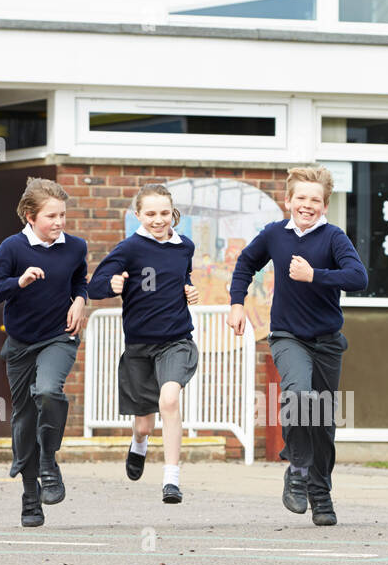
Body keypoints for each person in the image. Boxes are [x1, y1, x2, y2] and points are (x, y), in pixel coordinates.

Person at [228, 165, 368, 526]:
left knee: (322, 422)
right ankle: (297, 468)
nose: (308, 205)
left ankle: (320, 495)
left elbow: (358, 277)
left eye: (316, 200)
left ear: (325, 205)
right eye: (301, 198)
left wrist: (315, 275)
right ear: (288, 200)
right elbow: (245, 263)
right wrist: (237, 303)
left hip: (327, 342)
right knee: (298, 394)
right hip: (288, 336)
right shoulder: (275, 234)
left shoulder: (334, 238)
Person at [0, 177, 89, 527]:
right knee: (24, 418)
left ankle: (49, 463)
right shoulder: (12, 248)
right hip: (21, 344)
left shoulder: (75, 247)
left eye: (63, 216)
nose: (59, 223)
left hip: (60, 336)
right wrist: (18, 282)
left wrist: (81, 302)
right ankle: (30, 495)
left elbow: (79, 280)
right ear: (30, 216)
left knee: (48, 391)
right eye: (51, 216)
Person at [86, 183, 200, 504]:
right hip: (139, 347)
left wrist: (189, 290)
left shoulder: (184, 246)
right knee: (144, 425)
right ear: (138, 214)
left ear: (173, 213)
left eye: (164, 213)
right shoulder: (129, 249)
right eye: (150, 214)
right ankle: (139, 443)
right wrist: (112, 283)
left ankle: (171, 479)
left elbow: (182, 278)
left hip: (176, 340)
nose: (158, 219)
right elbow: (93, 286)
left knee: (169, 400)